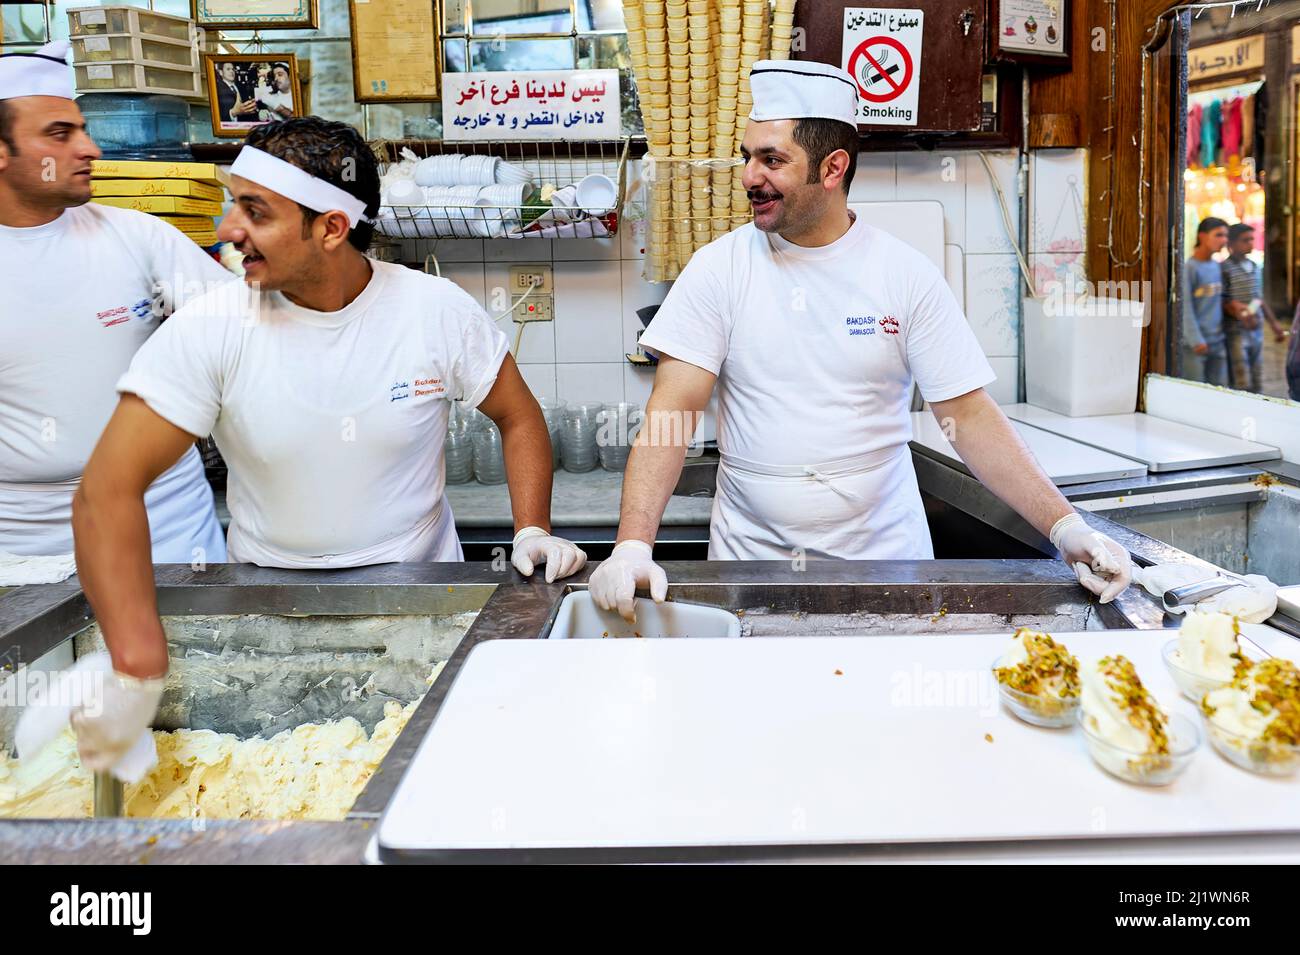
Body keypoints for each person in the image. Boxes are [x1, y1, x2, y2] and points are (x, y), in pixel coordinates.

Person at [66, 116, 584, 773]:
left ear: (332, 228)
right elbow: (106, 490)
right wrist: (136, 664)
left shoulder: (433, 310)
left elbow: (518, 416)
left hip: (425, 607)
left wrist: (533, 527)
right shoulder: (213, 327)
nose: (228, 229)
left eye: (255, 211)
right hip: (269, 622)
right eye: (233, 203)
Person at [587, 60, 1132, 621]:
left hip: (887, 565)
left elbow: (967, 416)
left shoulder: (904, 273)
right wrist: (633, 544)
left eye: (772, 160)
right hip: (751, 568)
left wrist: (1065, 527)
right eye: (749, 156)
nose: (751, 176)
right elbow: (671, 413)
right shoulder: (717, 270)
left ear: (832, 167)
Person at [0, 41, 228, 561]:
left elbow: (243, 340)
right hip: (19, 541)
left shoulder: (140, 238)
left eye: (82, 128)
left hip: (166, 522)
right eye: (60, 134)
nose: (91, 149)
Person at [1221, 222, 1285, 393]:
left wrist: (1274, 325)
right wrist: (1241, 314)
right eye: (1245, 240)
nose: (1250, 243)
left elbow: (1259, 300)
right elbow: (1224, 301)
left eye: (1252, 239)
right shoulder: (1225, 269)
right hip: (1236, 331)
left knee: (1257, 372)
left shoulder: (1255, 267)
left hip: (1255, 329)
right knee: (1240, 376)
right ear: (1231, 244)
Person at [1181, 217, 1229, 386]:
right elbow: (1185, 307)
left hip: (1217, 341)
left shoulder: (1217, 266)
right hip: (1196, 346)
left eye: (1225, 236)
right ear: (1202, 236)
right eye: (1218, 235)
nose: (1224, 240)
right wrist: (1196, 340)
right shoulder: (1189, 268)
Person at [214, 61, 256, 126]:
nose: (232, 71)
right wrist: (233, 112)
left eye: (233, 69)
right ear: (221, 72)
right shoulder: (217, 89)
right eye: (228, 69)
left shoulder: (241, 86)